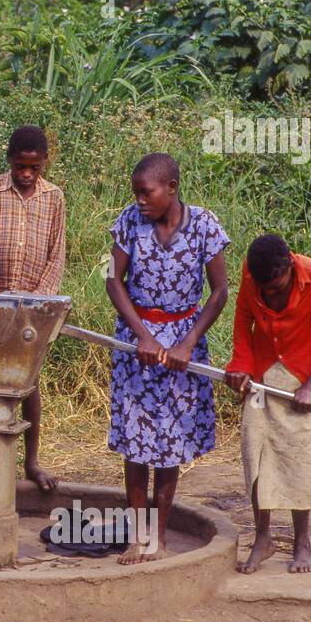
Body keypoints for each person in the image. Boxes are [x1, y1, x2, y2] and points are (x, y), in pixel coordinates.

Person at [106, 152, 230, 564]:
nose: (140, 201)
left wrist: (188, 342)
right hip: (136, 346)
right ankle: (137, 537)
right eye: (136, 194)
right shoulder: (129, 223)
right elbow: (114, 282)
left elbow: (219, 292)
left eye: (147, 193)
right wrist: (142, 334)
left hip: (182, 342)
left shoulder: (205, 226)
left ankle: (159, 537)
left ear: (172, 188)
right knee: (137, 442)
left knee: (170, 442)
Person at [226, 235, 311, 575]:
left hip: (308, 376)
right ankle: (262, 538)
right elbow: (242, 319)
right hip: (263, 374)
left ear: (290, 267)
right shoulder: (252, 276)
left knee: (299, 457)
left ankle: (301, 543)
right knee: (255, 451)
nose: (271, 295)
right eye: (266, 289)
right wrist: (240, 366)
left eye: (277, 287)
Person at [0, 125, 66, 492]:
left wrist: (36, 303)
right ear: (9, 160)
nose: (27, 174)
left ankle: (32, 461)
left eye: (35, 168)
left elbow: (57, 254)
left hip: (35, 306)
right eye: (20, 166)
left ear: (44, 164)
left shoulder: (54, 197)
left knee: (28, 381)